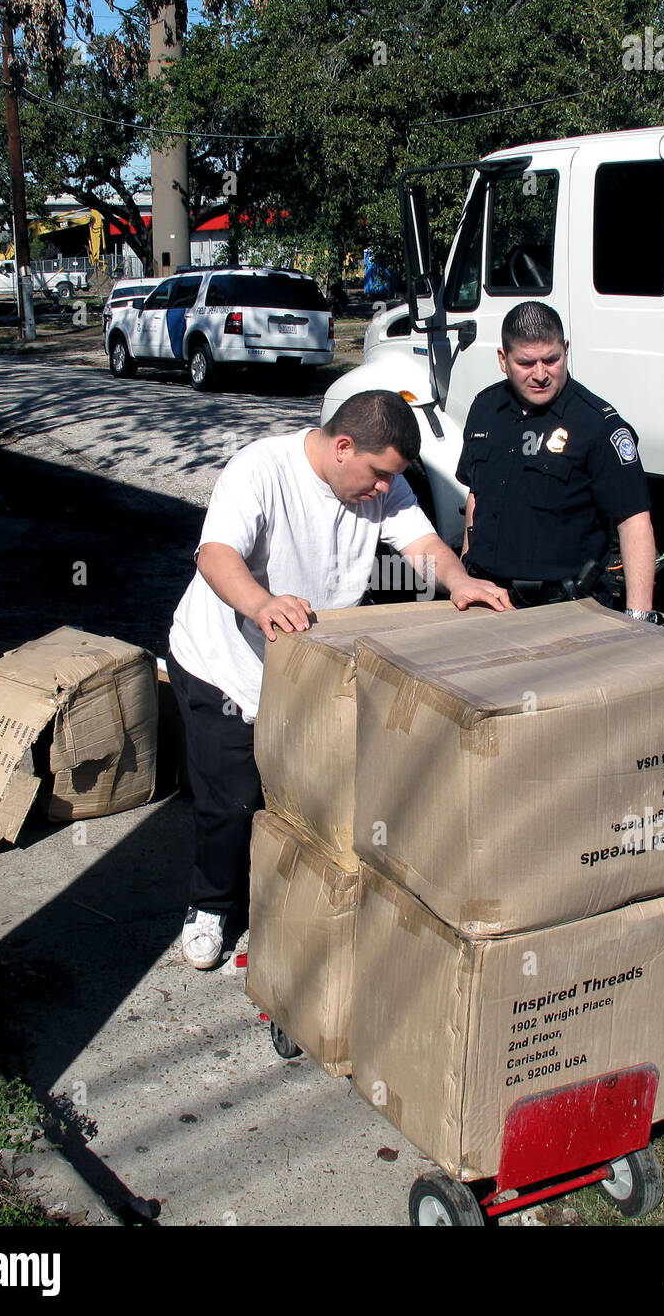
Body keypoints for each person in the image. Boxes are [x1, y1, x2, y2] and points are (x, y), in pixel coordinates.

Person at [168, 390, 511, 970]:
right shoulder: (261, 468)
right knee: (231, 800)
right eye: (379, 475)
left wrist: (458, 581)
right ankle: (211, 906)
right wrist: (261, 602)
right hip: (227, 663)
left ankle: (290, 905)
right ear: (343, 446)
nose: (385, 489)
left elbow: (423, 544)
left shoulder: (383, 481)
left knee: (310, 795)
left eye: (393, 478)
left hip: (309, 669)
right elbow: (215, 554)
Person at [456, 301, 658, 617]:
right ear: (503, 360)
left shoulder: (597, 424)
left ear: (565, 349)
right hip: (488, 599)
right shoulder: (484, 409)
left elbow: (634, 523)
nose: (540, 374)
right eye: (526, 362)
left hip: (564, 607)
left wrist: (640, 618)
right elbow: (476, 496)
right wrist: (465, 573)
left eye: (551, 359)